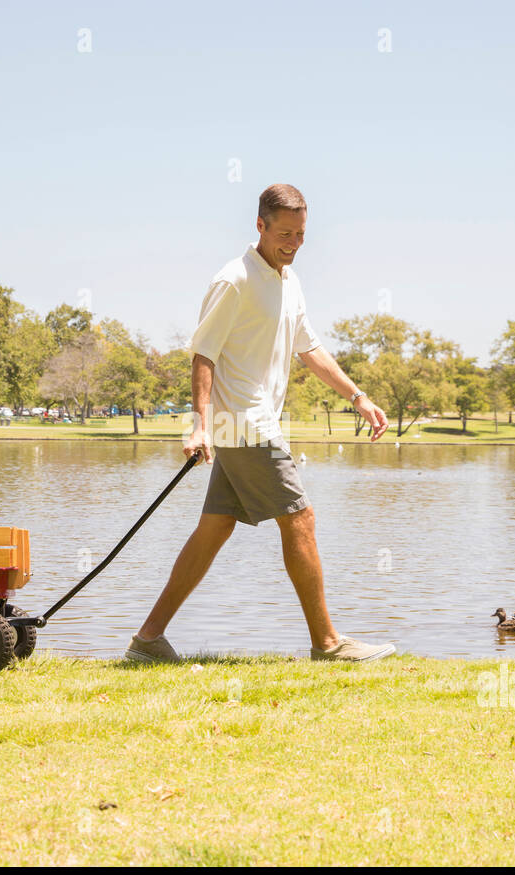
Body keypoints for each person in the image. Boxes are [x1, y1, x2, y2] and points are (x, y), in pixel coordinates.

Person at [126, 184, 396, 665]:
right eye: (285, 234)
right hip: (245, 423)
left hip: (253, 423)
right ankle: (328, 644)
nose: (293, 243)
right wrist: (200, 425)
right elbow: (203, 353)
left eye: (301, 234)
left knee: (215, 528)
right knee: (301, 517)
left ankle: (148, 640)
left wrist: (359, 397)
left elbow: (309, 349)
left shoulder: (288, 281)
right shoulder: (235, 280)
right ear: (260, 226)